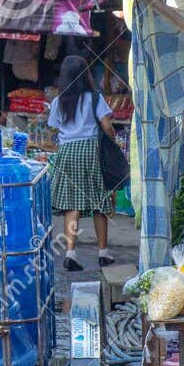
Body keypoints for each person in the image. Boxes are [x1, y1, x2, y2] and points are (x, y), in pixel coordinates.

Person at [48, 54, 118, 271]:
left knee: (73, 203)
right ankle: (103, 252)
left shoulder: (58, 102)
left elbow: (53, 128)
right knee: (99, 202)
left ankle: (70, 252)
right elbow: (107, 126)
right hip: (91, 150)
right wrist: (112, 140)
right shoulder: (95, 98)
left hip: (67, 152)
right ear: (86, 74)